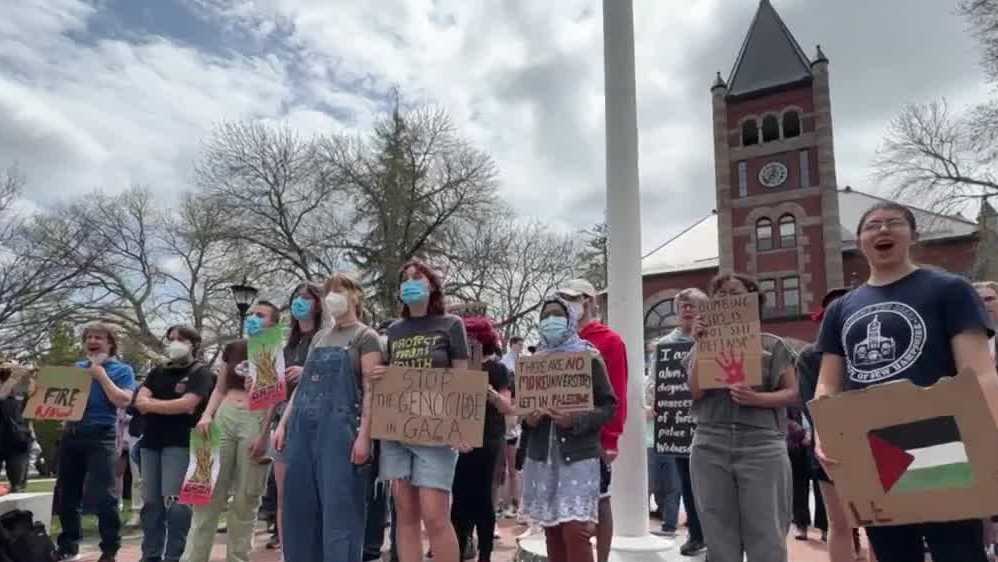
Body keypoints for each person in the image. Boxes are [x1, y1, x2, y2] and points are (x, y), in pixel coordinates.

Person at [815, 201, 996, 562]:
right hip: (871, 446)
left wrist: (988, 436)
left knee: (957, 550)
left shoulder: (950, 289)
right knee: (892, 551)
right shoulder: (840, 309)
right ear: (860, 241)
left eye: (893, 223)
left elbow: (978, 371)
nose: (882, 230)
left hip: (942, 437)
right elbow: (828, 385)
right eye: (872, 225)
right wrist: (824, 433)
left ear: (914, 235)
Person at [688, 274, 797, 562]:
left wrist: (758, 399)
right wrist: (700, 343)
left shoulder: (773, 344)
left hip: (761, 443)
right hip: (710, 441)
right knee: (718, 534)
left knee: (767, 534)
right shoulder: (701, 344)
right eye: (719, 295)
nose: (726, 300)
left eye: (734, 293)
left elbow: (793, 393)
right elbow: (695, 391)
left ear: (752, 298)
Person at [272, 273, 380, 561]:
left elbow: (372, 389)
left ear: (355, 295)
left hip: (341, 433)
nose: (332, 296)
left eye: (339, 290)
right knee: (300, 508)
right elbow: (304, 384)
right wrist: (283, 425)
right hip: (302, 430)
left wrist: (364, 437)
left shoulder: (366, 337)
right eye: (328, 291)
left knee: (339, 509)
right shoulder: (320, 337)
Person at [378, 259, 470, 562]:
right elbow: (389, 374)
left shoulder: (451, 324)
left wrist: (462, 426)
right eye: (405, 279)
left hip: (437, 431)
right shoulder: (394, 329)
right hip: (397, 431)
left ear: (432, 286)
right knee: (405, 514)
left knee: (434, 515)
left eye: (417, 277)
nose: (410, 282)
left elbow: (461, 377)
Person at [520, 296, 617, 562]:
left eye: (557, 315)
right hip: (542, 458)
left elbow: (609, 406)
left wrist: (575, 420)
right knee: (552, 532)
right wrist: (529, 419)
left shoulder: (588, 357)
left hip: (579, 456)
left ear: (570, 320)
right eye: (545, 316)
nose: (551, 320)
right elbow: (522, 413)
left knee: (577, 531)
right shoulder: (532, 362)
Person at [181, 302, 280, 562]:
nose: (254, 319)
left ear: (273, 323)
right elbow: (219, 387)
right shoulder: (234, 347)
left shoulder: (275, 350)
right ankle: (193, 557)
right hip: (224, 414)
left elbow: (274, 399)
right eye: (252, 315)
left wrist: (264, 433)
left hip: (256, 417)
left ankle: (238, 557)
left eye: (261, 316)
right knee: (206, 493)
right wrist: (207, 415)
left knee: (246, 497)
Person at [795, 287, 871, 562]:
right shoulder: (809, 357)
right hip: (832, 445)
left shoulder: (871, 348)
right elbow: (809, 402)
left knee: (879, 525)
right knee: (840, 524)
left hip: (876, 441)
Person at [556, 279, 627, 562]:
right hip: (562, 437)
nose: (568, 303)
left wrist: (611, 438)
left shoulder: (610, 340)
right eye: (562, 297)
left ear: (588, 301)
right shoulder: (557, 342)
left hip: (595, 435)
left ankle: (603, 557)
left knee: (601, 499)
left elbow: (617, 392)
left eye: (574, 298)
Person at [56, 322, 137, 562]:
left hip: (101, 435)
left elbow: (123, 400)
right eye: (89, 337)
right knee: (67, 494)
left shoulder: (122, 370)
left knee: (105, 495)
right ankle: (68, 545)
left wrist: (101, 376)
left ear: (110, 343)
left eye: (99, 337)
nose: (92, 341)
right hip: (72, 434)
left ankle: (109, 549)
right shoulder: (77, 368)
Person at [133, 325, 214, 562]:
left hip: (181, 442)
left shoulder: (201, 373)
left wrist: (152, 405)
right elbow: (140, 398)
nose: (174, 343)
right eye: (171, 339)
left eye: (180, 339)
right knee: (151, 503)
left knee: (175, 502)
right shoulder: (157, 371)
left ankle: (175, 555)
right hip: (151, 441)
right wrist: (156, 404)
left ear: (193, 344)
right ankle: (150, 554)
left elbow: (187, 404)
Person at [262, 281, 323, 551]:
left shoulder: (326, 338)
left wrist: (306, 372)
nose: (300, 302)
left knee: (316, 495)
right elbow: (273, 393)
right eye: (297, 297)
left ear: (319, 304)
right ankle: (288, 552)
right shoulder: (286, 346)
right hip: (283, 426)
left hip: (318, 424)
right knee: (285, 497)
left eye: (307, 298)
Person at [450, 316, 512, 562]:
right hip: (460, 439)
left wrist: (488, 391)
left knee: (483, 498)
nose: (469, 341)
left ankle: (485, 553)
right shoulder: (455, 366)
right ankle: (461, 547)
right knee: (459, 498)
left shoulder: (498, 369)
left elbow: (508, 406)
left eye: (473, 337)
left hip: (488, 440)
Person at [650, 288, 707, 556]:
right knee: (686, 482)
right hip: (679, 425)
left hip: (710, 421)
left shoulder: (715, 338)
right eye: (683, 304)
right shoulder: (664, 346)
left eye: (693, 304)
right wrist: (655, 398)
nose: (687, 309)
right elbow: (654, 384)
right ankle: (696, 534)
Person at [497, 335, 524, 520]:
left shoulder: (514, 392)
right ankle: (501, 503)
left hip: (512, 432)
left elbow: (517, 410)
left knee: (513, 470)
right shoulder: (506, 363)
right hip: (500, 432)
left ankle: (514, 503)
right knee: (501, 471)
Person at [0, 363, 34, 493]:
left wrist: (27, 378)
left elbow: (34, 397)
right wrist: (12, 379)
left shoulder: (23, 387)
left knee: (18, 484)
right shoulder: (7, 386)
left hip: (19, 440)